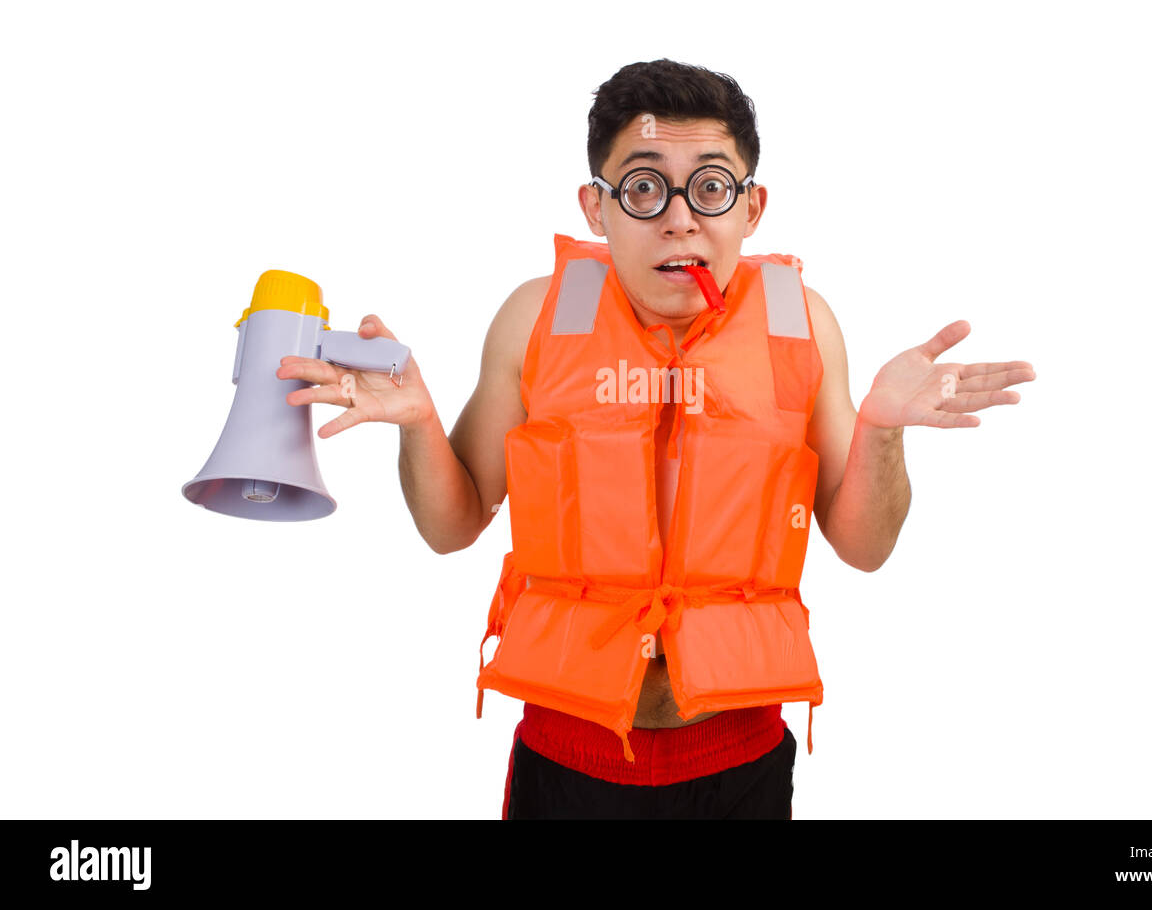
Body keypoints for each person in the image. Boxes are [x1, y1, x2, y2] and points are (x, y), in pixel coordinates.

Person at [275, 59, 1036, 819]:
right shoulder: (534, 318)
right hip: (568, 756)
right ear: (596, 207)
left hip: (738, 760)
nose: (681, 218)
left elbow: (866, 547)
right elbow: (452, 525)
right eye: (644, 187)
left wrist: (880, 432)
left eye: (710, 187)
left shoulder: (802, 325)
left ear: (752, 207)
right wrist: (418, 423)